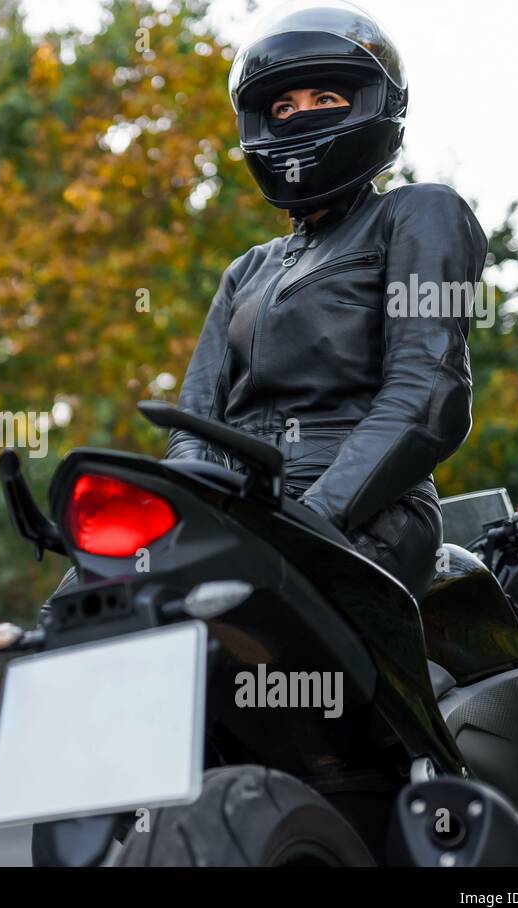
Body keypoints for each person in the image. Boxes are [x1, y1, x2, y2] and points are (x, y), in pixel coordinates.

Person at [165, 0, 487, 600]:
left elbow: (430, 395)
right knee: (83, 612)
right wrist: (177, 527)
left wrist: (307, 521)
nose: (298, 117)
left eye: (324, 100)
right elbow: (192, 426)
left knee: (255, 637)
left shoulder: (418, 213)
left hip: (367, 510)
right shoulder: (247, 269)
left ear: (370, 104)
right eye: (282, 106)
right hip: (238, 513)